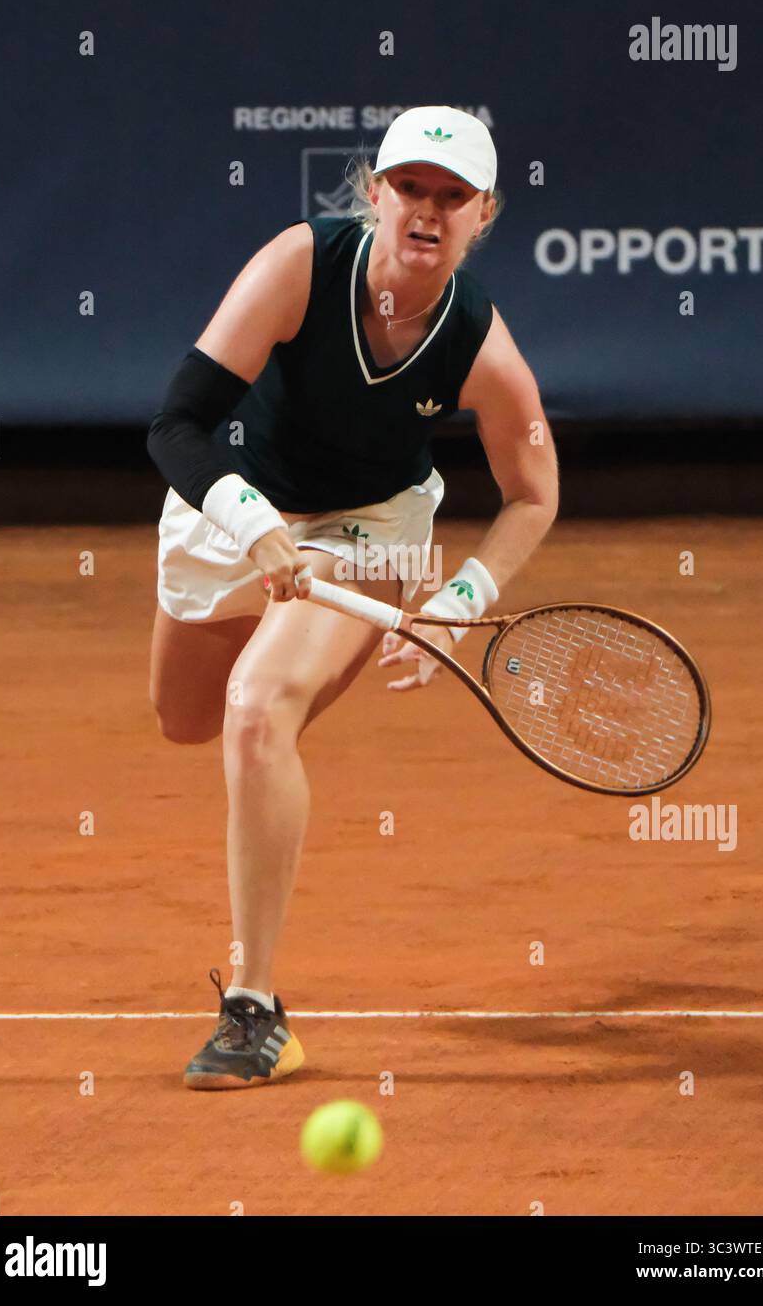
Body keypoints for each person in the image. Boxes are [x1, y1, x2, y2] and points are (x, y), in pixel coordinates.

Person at [146, 105, 558, 1089]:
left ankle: (254, 1009)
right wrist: (250, 523)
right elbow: (179, 425)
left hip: (370, 529)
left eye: (450, 196)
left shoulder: (477, 346)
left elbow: (533, 493)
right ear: (373, 192)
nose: (426, 209)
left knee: (255, 712)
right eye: (409, 187)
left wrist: (460, 593)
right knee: (186, 718)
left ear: (482, 214)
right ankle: (280, 678)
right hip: (237, 505)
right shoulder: (298, 263)